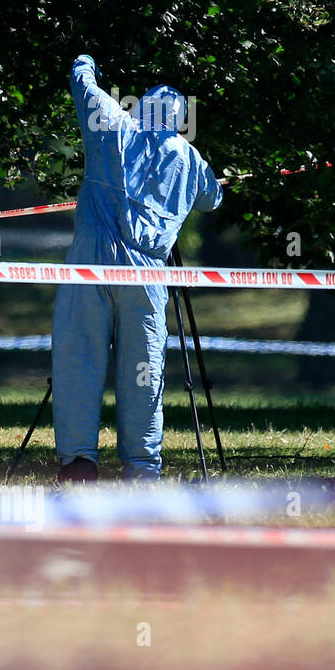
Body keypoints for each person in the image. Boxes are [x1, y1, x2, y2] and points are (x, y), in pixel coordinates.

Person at [52, 55, 223, 481]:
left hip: (92, 266)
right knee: (143, 371)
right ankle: (142, 468)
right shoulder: (189, 157)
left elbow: (84, 88)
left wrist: (86, 61)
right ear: (180, 119)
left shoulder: (113, 126)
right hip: (147, 278)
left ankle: (78, 462)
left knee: (79, 359)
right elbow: (212, 198)